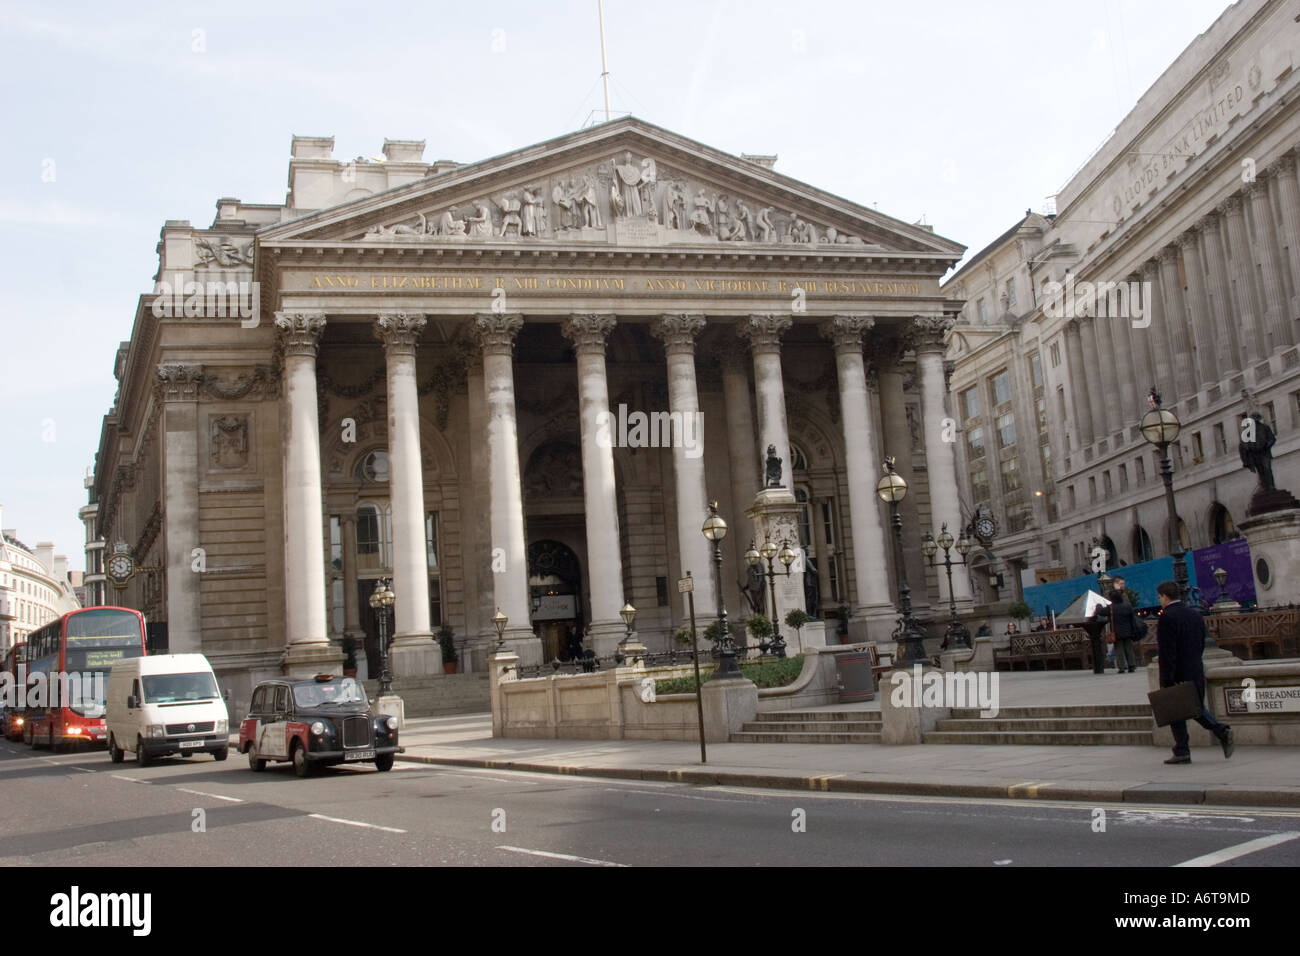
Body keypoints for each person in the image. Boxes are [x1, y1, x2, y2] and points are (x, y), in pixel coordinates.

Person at [1154, 580, 1234, 765]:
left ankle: (1190, 746)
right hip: (1195, 668)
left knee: (1177, 710)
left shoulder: (1167, 617)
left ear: (1165, 596)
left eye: (1160, 597)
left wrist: (1166, 678)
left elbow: (1167, 651)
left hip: (1177, 672)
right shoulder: (1194, 614)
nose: (1160, 601)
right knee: (1194, 708)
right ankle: (1185, 748)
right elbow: (1201, 642)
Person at [1106, 578, 1139, 674]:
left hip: (1116, 632)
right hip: (1128, 630)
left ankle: (1121, 667)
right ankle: (1132, 665)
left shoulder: (1111, 608)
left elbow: (1102, 611)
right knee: (1129, 647)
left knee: (1119, 649)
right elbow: (1132, 615)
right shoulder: (1127, 606)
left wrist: (1099, 606)